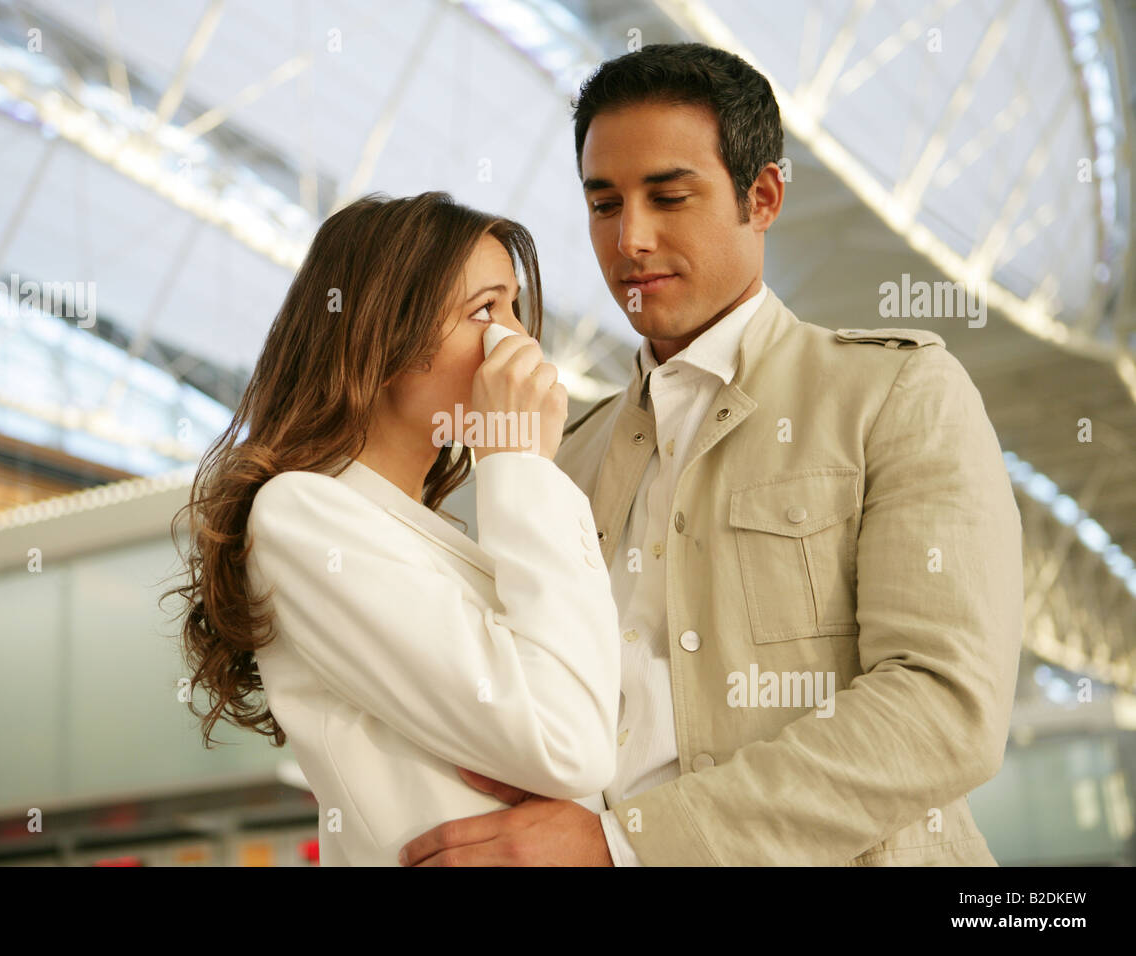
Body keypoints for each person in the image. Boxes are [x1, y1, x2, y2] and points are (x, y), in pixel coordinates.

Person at [398, 43, 1023, 866]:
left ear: (761, 196)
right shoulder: (557, 463)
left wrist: (624, 845)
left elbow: (944, 708)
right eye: (604, 203)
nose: (632, 240)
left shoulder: (894, 395)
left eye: (669, 196)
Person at [165, 191, 621, 866]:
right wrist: (521, 461)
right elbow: (571, 744)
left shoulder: (421, 531)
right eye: (485, 311)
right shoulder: (302, 514)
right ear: (383, 335)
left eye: (517, 308)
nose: (517, 343)